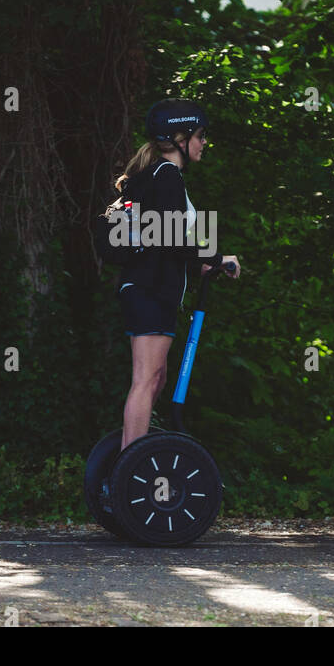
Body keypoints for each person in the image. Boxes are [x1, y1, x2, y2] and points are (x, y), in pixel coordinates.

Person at [113, 98, 239, 452]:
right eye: (200, 136)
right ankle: (128, 467)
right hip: (151, 290)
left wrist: (205, 262)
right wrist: (217, 255)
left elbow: (165, 241)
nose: (204, 143)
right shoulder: (165, 175)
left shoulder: (159, 177)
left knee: (156, 380)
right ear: (180, 137)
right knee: (146, 380)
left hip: (151, 288)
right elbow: (172, 237)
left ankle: (131, 458)